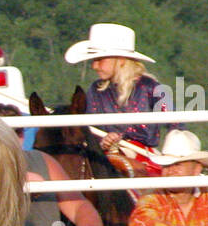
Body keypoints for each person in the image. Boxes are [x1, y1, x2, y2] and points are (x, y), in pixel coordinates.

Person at [64, 22, 176, 152]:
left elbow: (176, 124)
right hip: (103, 154)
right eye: (94, 61)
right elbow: (89, 128)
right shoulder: (95, 90)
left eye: (100, 59)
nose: (94, 66)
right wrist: (104, 140)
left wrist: (171, 153)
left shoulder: (150, 87)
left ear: (121, 59)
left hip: (142, 154)